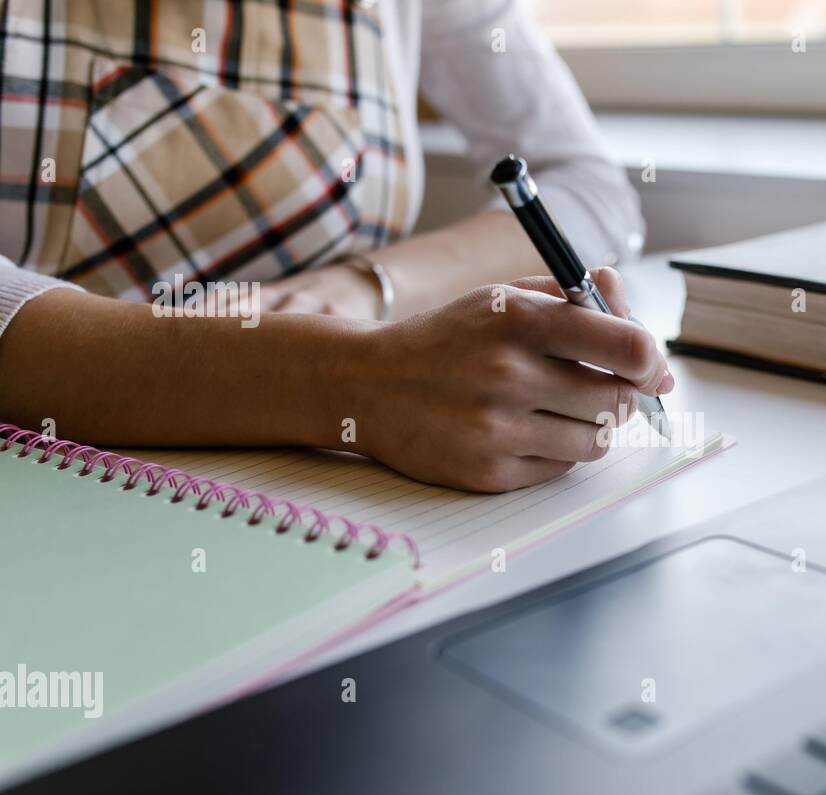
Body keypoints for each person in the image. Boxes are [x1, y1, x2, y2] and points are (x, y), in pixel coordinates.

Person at [0, 0, 673, 492]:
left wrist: (362, 286)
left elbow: (589, 189)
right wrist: (346, 380)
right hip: (54, 469)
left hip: (313, 485)